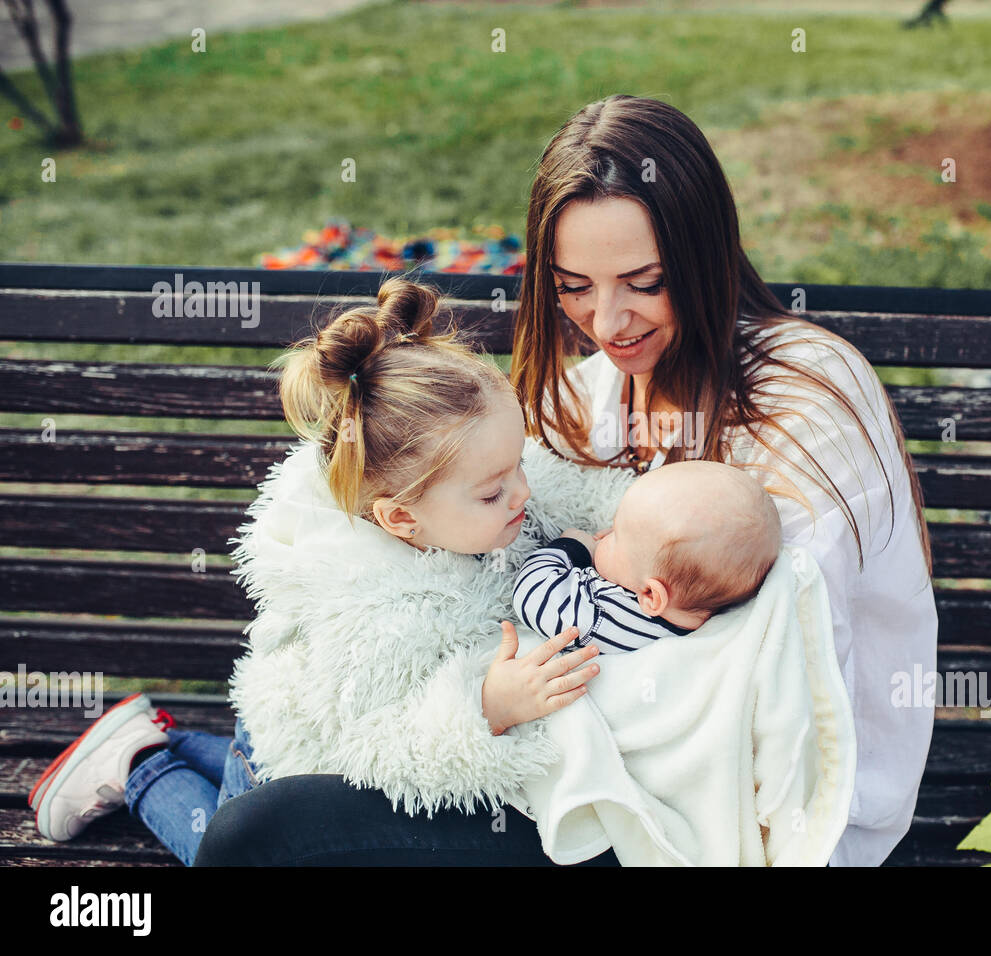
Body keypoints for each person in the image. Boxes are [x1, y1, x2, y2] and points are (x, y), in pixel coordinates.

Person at [198, 94, 937, 867]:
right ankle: (168, 766)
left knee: (264, 834)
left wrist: (498, 701)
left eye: (643, 281)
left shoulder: (805, 399)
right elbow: (464, 545)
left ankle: (155, 769)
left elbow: (777, 671)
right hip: (586, 772)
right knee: (275, 804)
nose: (608, 321)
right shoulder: (591, 395)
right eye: (573, 286)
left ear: (703, 253)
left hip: (719, 819)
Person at [29, 276, 628, 866]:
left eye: (517, 463)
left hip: (286, 749)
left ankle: (172, 739)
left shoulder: (485, 480)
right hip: (305, 757)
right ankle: (143, 767)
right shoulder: (370, 616)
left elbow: (585, 495)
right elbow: (378, 752)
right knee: (232, 849)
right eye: (494, 492)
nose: (522, 494)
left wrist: (653, 528)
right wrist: (484, 708)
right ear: (400, 519)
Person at [513, 459, 784, 653]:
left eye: (616, 535)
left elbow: (531, 594)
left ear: (651, 596)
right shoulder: (703, 610)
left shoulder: (603, 617)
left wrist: (573, 546)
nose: (603, 535)